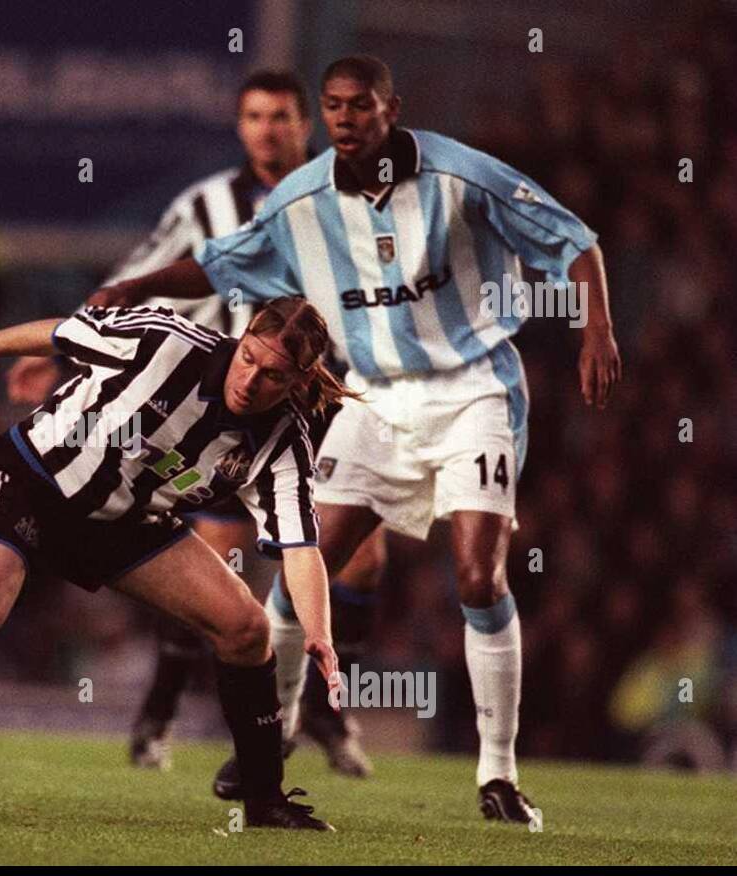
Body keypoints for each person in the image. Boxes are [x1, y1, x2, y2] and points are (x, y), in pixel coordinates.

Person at [87, 55, 622, 823]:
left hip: (473, 388)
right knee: (305, 562)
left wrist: (595, 327)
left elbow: (573, 238)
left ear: (389, 108)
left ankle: (497, 774)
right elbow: (217, 265)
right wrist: (134, 288)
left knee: (478, 576)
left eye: (358, 106)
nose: (343, 118)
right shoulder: (303, 202)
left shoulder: (458, 176)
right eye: (333, 105)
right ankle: (273, 741)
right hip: (374, 399)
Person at [0, 298, 357, 830]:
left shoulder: (284, 441)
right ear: (242, 338)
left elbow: (303, 549)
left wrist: (320, 634)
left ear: (300, 382)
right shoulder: (165, 342)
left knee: (246, 628)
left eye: (273, 376)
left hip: (125, 524)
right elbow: (63, 332)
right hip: (33, 482)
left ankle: (264, 801)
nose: (250, 380)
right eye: (249, 359)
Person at [8, 70, 383, 776]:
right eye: (253, 116)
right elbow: (131, 282)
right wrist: (56, 356)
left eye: (280, 116)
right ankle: (160, 715)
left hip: (318, 404)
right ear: (240, 127)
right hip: (216, 405)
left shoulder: (344, 205)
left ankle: (327, 712)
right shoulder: (204, 205)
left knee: (360, 554)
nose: (268, 129)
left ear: (303, 124)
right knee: (222, 558)